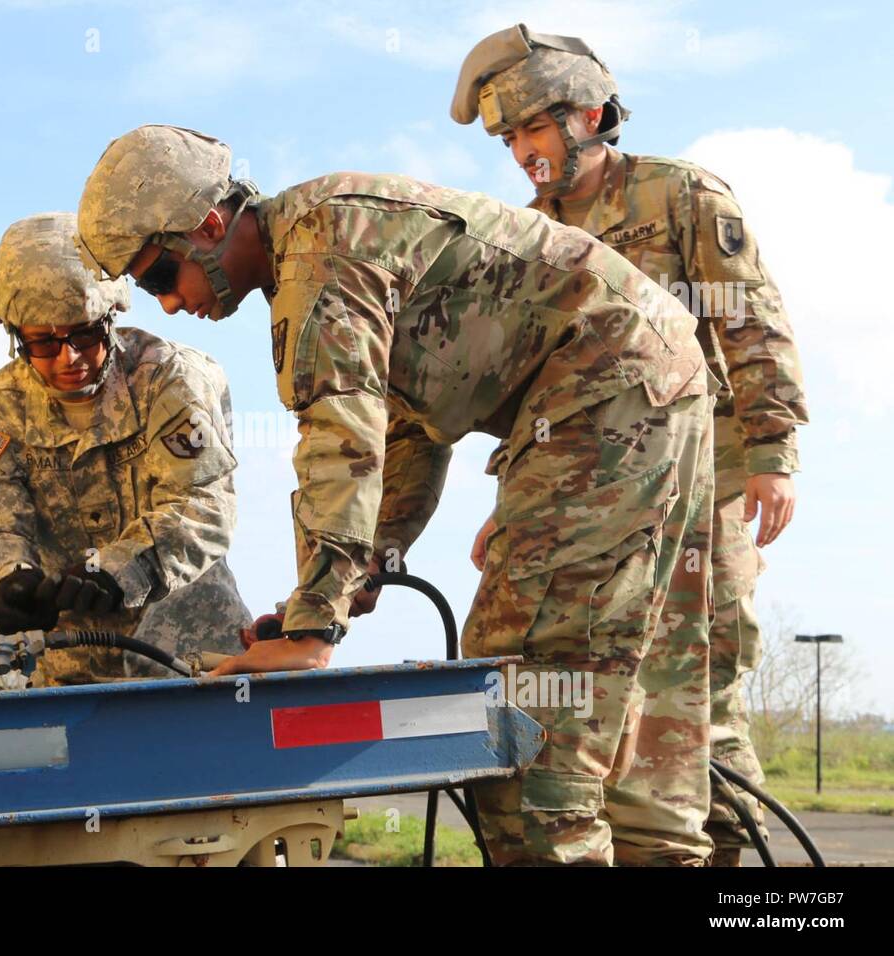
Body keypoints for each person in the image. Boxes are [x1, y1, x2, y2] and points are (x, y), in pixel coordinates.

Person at [76, 125, 717, 865]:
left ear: (210, 225)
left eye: (159, 275)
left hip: (607, 390)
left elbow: (342, 448)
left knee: (524, 689)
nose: (165, 304)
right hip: (642, 380)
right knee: (602, 674)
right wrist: (340, 589)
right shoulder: (322, 236)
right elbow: (409, 435)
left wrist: (313, 631)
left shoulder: (318, 261)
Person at [453, 24, 809, 865]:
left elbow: (751, 323)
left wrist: (772, 454)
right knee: (602, 713)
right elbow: (529, 391)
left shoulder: (679, 197)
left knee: (701, 713)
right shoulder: (523, 238)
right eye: (509, 139)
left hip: (704, 490)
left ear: (592, 114)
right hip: (585, 512)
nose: (522, 153)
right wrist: (513, 514)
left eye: (534, 129)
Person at [0, 212, 250, 685]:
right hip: (68, 677)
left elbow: (202, 505)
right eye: (44, 342)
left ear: (110, 317)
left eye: (84, 333)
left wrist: (121, 571)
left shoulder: (170, 379)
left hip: (194, 660)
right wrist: (7, 579)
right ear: (17, 337)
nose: (70, 358)